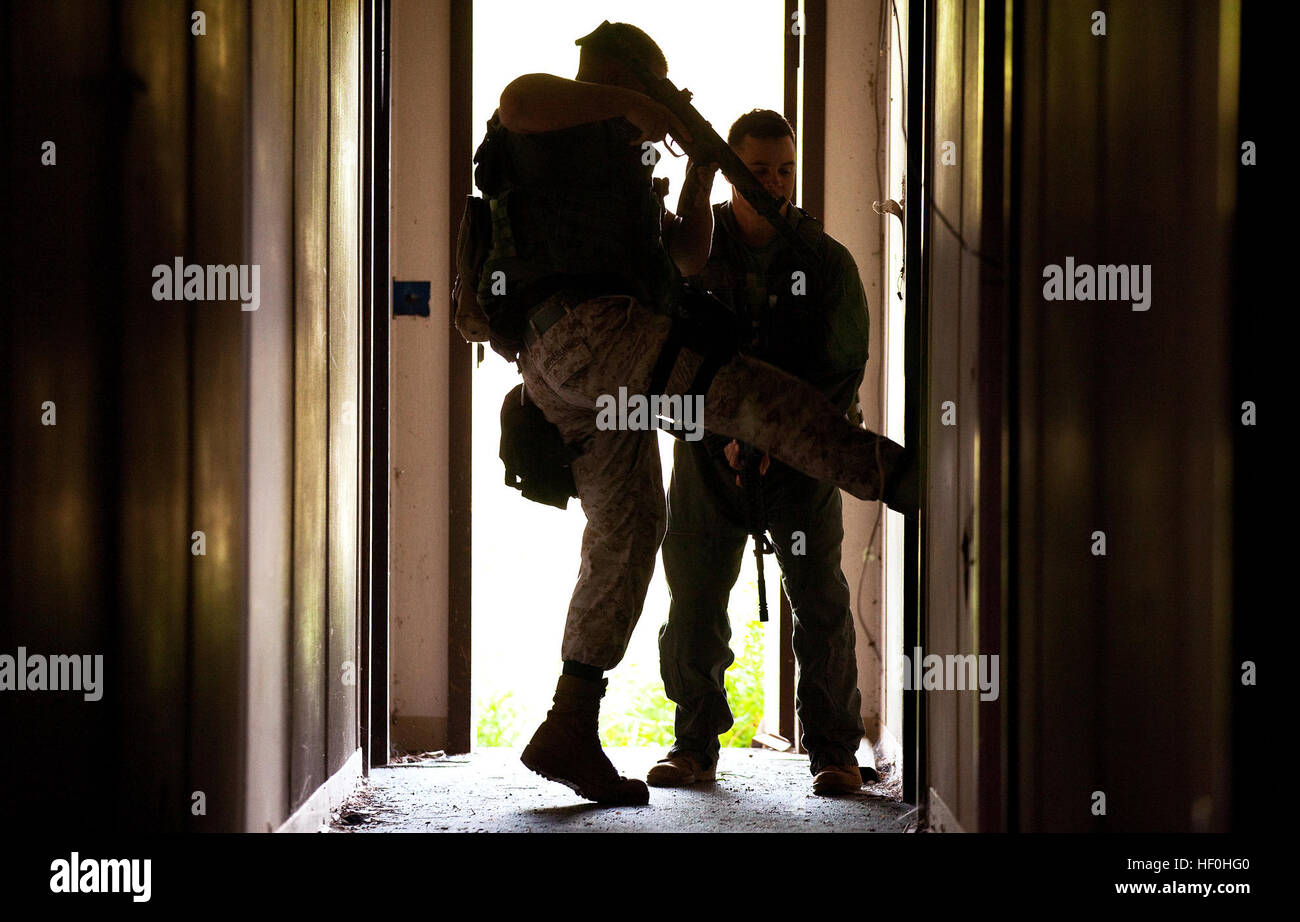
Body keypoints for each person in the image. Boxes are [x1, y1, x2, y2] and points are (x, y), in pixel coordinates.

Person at [476, 22, 916, 807]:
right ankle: (893, 474)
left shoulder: (619, 163)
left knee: (632, 528)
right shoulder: (554, 113)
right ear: (619, 74)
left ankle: (570, 721)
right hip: (585, 337)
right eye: (649, 82)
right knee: (742, 390)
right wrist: (660, 111)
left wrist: (695, 176)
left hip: (590, 373)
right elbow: (517, 100)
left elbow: (680, 257)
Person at [650, 109, 879, 795]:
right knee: (692, 594)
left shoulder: (822, 260)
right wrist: (714, 435)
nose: (775, 184)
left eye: (785, 169)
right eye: (759, 170)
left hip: (800, 458)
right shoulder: (695, 247)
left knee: (820, 598)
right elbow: (661, 349)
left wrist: (790, 439)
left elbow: (844, 366)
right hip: (706, 453)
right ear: (730, 170)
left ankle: (835, 752)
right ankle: (693, 745)